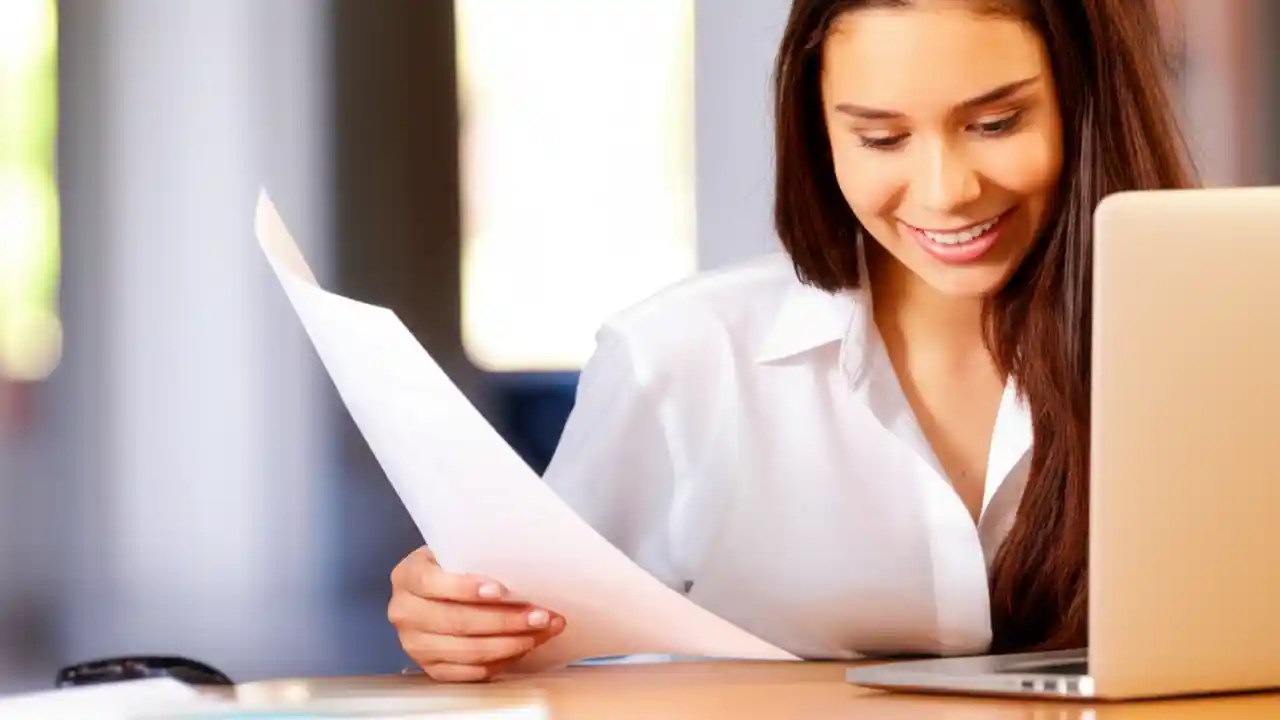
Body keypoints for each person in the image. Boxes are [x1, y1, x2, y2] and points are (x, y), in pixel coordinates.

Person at [387, 0, 1193, 682]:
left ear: (1085, 103)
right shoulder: (683, 356)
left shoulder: (1209, 340)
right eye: (880, 138)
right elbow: (527, 641)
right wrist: (459, 622)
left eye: (995, 122)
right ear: (819, 132)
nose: (947, 191)